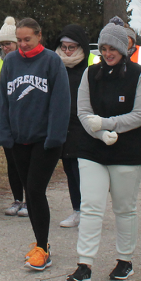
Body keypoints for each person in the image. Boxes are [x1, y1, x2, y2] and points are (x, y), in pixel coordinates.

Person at [67, 23, 141, 281]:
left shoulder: (139, 75)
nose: (107, 53)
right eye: (103, 48)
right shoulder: (90, 74)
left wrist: (107, 125)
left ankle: (125, 260)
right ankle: (84, 264)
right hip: (92, 149)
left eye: (112, 48)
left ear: (123, 48)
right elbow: (83, 112)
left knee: (124, 208)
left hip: (128, 152)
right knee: (91, 206)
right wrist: (99, 134)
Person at [0, 17, 71, 271]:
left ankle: (43, 246)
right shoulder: (10, 62)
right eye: (19, 40)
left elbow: (61, 104)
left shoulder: (52, 61)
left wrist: (55, 138)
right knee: (30, 191)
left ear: (39, 36)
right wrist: (5, 135)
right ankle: (40, 243)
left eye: (27, 39)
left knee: (36, 191)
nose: (23, 44)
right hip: (18, 139)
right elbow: (4, 102)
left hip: (45, 141)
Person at [52, 24, 93, 229]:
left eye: (72, 47)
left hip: (85, 125)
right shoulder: (55, 65)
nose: (67, 51)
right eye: (64, 47)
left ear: (81, 47)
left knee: (84, 170)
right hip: (63, 124)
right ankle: (77, 210)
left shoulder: (91, 66)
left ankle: (90, 211)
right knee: (69, 168)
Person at [0, 17, 28, 217]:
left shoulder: (29, 61)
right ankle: (17, 199)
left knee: (28, 163)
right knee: (12, 162)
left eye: (8, 44)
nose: (5, 48)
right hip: (7, 120)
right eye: (2, 45)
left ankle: (30, 199)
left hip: (27, 119)